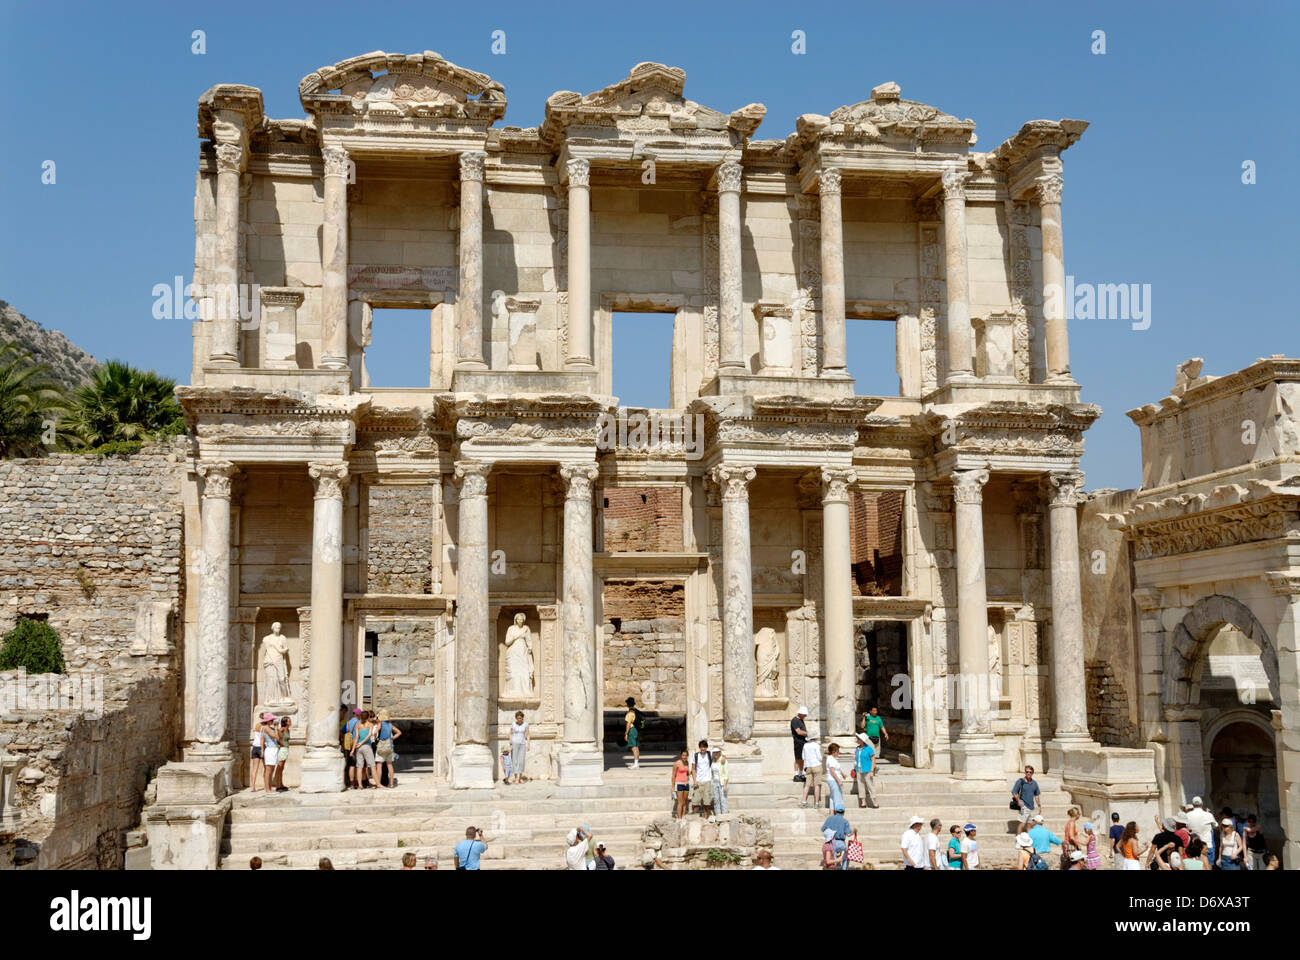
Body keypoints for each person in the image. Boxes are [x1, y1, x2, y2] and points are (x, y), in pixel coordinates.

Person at [1185, 796, 1217, 862]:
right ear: (1202, 804)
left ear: (1193, 805)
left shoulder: (1187, 815)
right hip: (1207, 846)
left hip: (1194, 846)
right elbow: (1215, 826)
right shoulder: (1208, 815)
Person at [375, 708, 401, 788]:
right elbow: (399, 732)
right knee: (389, 765)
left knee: (379, 765)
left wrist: (377, 738)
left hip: (381, 746)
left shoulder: (380, 724)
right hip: (389, 746)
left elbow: (375, 732)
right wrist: (392, 738)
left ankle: (378, 783)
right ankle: (391, 783)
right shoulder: (390, 725)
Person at [1010, 765, 1041, 831]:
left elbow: (1037, 795)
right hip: (1024, 806)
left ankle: (1028, 840)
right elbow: (1014, 792)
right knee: (1022, 824)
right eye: (1027, 772)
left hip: (1031, 807)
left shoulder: (1034, 783)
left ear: (1032, 773)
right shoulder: (1020, 781)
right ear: (1025, 772)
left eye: (1030, 772)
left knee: (1030, 825)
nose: (1028, 773)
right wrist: (1019, 801)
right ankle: (1018, 838)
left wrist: (1039, 806)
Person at [352, 710, 378, 788]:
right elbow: (369, 735)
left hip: (358, 747)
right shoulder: (370, 724)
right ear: (367, 717)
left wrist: (353, 749)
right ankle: (378, 784)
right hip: (366, 746)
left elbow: (356, 737)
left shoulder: (357, 725)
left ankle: (360, 785)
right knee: (372, 765)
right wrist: (362, 743)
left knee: (359, 767)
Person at [822, 806, 852, 870]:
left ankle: (835, 866)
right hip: (841, 843)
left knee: (833, 857)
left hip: (831, 843)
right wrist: (854, 832)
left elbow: (822, 829)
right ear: (843, 812)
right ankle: (844, 868)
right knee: (847, 854)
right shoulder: (845, 821)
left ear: (835, 811)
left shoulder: (829, 819)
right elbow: (848, 834)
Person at [852, 733, 877, 809]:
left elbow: (873, 760)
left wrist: (872, 771)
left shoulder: (869, 748)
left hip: (867, 769)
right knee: (860, 785)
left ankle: (875, 801)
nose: (857, 740)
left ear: (862, 741)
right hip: (859, 769)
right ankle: (863, 801)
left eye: (859, 739)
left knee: (870, 785)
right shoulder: (857, 748)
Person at [691, 740, 714, 818]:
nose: (703, 748)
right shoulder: (696, 756)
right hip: (698, 781)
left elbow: (719, 754)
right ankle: (694, 818)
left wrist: (723, 758)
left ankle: (705, 817)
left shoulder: (710, 754)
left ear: (706, 747)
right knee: (695, 801)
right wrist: (694, 781)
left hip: (707, 780)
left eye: (704, 747)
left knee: (707, 801)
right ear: (699, 747)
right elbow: (693, 769)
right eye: (701, 747)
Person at [800, 737, 823, 808]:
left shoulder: (805, 745)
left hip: (808, 766)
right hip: (816, 765)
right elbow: (819, 757)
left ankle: (803, 802)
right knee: (817, 785)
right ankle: (816, 803)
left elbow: (803, 757)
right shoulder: (816, 745)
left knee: (807, 785)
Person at [259, 713, 279, 793]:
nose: (273, 721)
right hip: (270, 750)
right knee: (268, 770)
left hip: (273, 749)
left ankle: (269, 787)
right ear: (268, 721)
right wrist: (276, 728)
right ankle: (267, 788)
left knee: (271, 770)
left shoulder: (269, 728)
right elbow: (276, 737)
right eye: (271, 720)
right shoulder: (266, 728)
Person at [825, 743, 846, 813]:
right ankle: (838, 811)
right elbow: (832, 771)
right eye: (838, 751)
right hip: (833, 780)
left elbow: (837, 769)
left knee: (832, 796)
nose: (838, 753)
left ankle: (831, 812)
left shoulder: (832, 759)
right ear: (834, 752)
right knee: (837, 795)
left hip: (831, 780)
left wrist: (842, 774)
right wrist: (839, 780)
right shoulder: (831, 759)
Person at [508, 710, 528, 784]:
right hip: (514, 744)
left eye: (520, 718)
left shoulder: (525, 724)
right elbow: (510, 733)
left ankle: (520, 777)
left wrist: (528, 744)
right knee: (514, 761)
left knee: (522, 761)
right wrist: (510, 741)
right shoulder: (513, 724)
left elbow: (528, 734)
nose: (519, 719)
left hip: (522, 744)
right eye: (517, 718)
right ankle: (516, 778)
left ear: (522, 718)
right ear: (516, 718)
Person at [272, 716, 291, 792]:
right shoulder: (282, 729)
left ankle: (281, 784)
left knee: (282, 768)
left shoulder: (288, 730)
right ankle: (278, 785)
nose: (290, 722)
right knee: (279, 767)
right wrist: (281, 744)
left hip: (286, 749)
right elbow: (277, 738)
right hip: (283, 749)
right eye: (289, 721)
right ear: (285, 722)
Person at [790, 707, 810, 782]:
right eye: (804, 715)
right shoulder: (795, 720)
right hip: (798, 742)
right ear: (800, 713)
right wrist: (808, 733)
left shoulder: (801, 720)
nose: (805, 716)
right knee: (798, 759)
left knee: (802, 759)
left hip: (803, 742)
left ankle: (801, 774)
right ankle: (796, 774)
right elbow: (798, 732)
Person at [671, 749, 690, 819]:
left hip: (686, 784)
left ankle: (683, 817)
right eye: (683, 755)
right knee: (680, 803)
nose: (684, 757)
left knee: (685, 803)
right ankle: (679, 819)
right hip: (679, 784)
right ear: (680, 755)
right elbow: (673, 775)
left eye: (685, 755)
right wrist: (672, 787)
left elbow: (687, 773)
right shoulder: (677, 763)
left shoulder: (687, 763)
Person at [623, 697, 642, 770]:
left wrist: (626, 733)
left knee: (633, 747)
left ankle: (636, 764)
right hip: (636, 730)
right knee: (636, 747)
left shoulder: (629, 713)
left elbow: (628, 724)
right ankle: (636, 763)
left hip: (631, 730)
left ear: (627, 704)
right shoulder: (635, 711)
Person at [710, 747, 729, 815]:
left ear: (719, 752)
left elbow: (726, 774)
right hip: (714, 782)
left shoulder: (723, 761)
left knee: (723, 799)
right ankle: (718, 815)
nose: (715, 754)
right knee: (716, 800)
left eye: (717, 752)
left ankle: (725, 815)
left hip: (722, 783)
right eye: (714, 752)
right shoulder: (713, 761)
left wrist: (725, 785)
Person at [249, 719, 264, 792]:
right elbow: (262, 739)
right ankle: (267, 785)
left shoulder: (257, 725)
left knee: (254, 769)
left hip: (254, 747)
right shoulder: (264, 726)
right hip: (261, 747)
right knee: (266, 768)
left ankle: (253, 787)